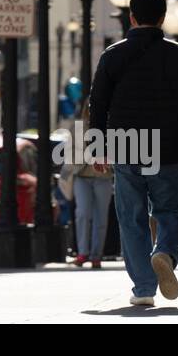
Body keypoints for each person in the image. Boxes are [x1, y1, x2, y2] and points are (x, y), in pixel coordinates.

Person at [88, 0, 178, 307]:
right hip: (168, 148)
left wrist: (96, 148)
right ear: (163, 18)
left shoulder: (112, 55)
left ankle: (143, 288)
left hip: (126, 147)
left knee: (132, 218)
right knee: (169, 211)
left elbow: (98, 105)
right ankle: (165, 252)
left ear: (131, 16)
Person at [66, 105, 114, 268]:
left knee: (101, 217)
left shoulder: (109, 126)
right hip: (82, 176)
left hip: (103, 177)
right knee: (82, 214)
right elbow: (69, 150)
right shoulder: (78, 127)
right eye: (89, 107)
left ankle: (96, 255)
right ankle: (82, 253)